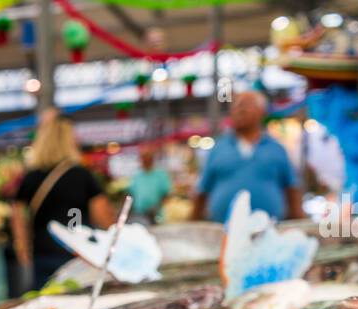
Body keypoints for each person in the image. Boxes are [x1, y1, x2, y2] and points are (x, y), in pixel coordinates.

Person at [12, 116, 115, 288]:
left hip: (43, 253)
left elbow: (17, 214)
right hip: (79, 254)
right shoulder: (82, 176)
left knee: (48, 306)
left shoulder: (31, 178)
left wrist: (22, 246)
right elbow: (104, 218)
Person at [192, 90, 303, 223]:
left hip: (269, 232)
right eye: (236, 105)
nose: (239, 109)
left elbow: (291, 189)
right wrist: (193, 221)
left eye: (245, 105)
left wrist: (298, 222)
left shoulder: (276, 149)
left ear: (262, 111)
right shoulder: (218, 148)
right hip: (223, 231)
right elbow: (203, 190)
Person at [127, 142, 171, 222]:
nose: (145, 160)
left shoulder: (161, 174)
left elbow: (167, 194)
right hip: (139, 214)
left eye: (147, 158)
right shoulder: (137, 175)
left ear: (152, 159)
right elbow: (131, 194)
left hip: (157, 214)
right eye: (143, 158)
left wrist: (156, 207)